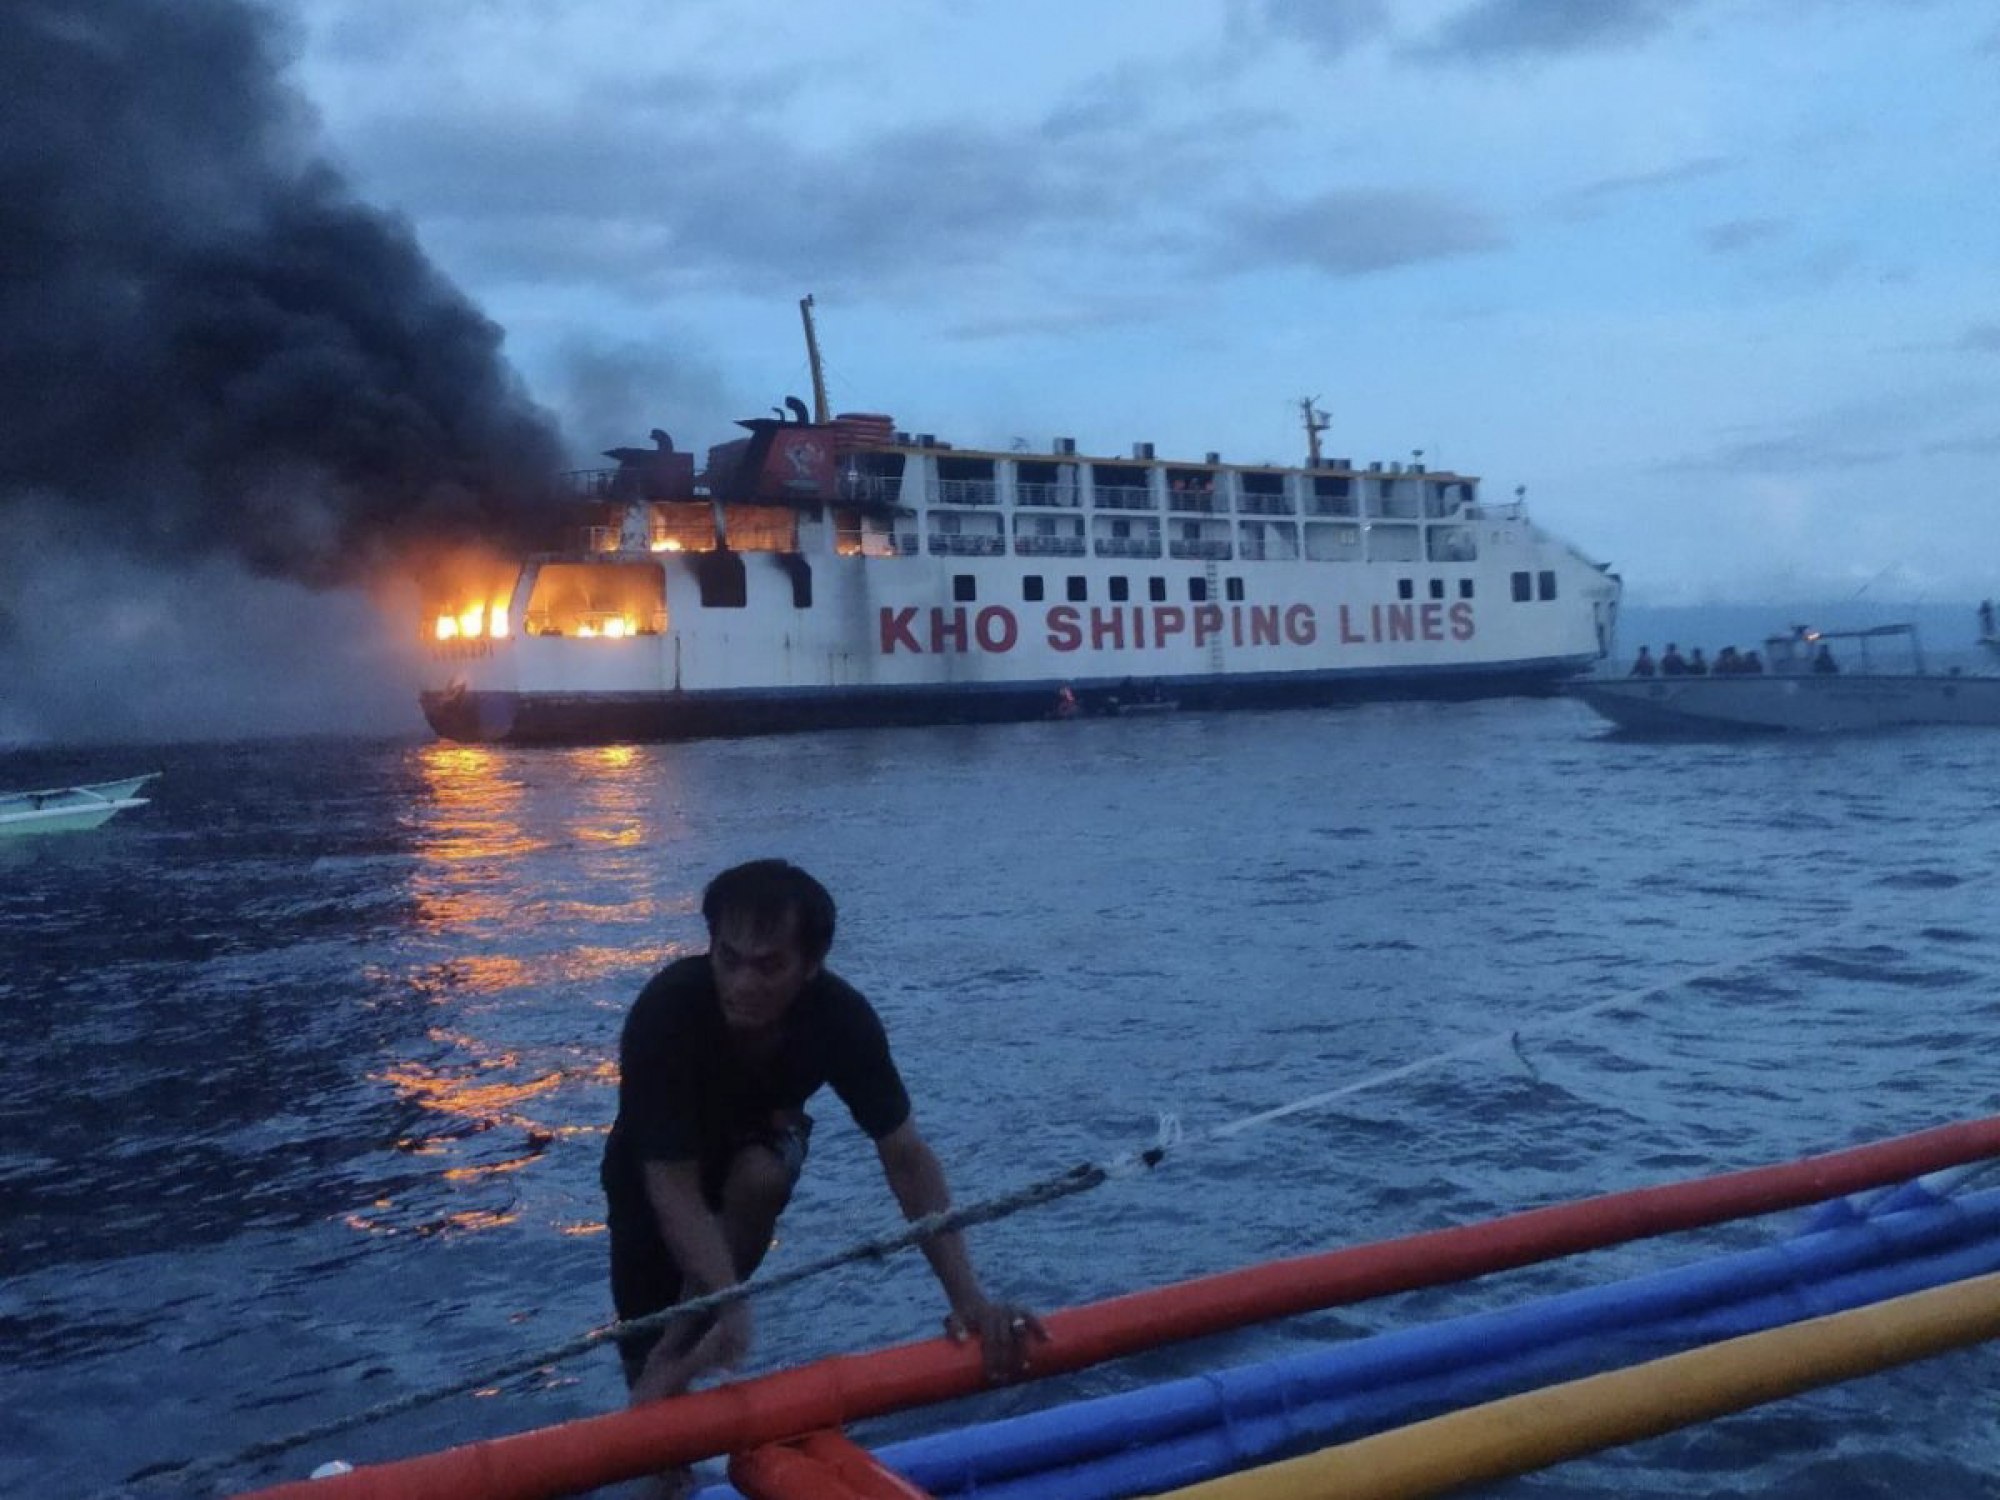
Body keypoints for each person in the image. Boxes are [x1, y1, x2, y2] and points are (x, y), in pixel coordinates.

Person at [602, 861, 1045, 1431]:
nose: (741, 985)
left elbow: (906, 1157)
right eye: (728, 959)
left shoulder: (842, 1019)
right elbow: (671, 1184)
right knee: (654, 1383)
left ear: (811, 966)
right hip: (653, 1178)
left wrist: (968, 1298)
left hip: (758, 1146)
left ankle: (686, 1348)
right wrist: (728, 1304)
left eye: (769, 966)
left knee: (761, 1177)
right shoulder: (667, 1013)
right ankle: (668, 1409)